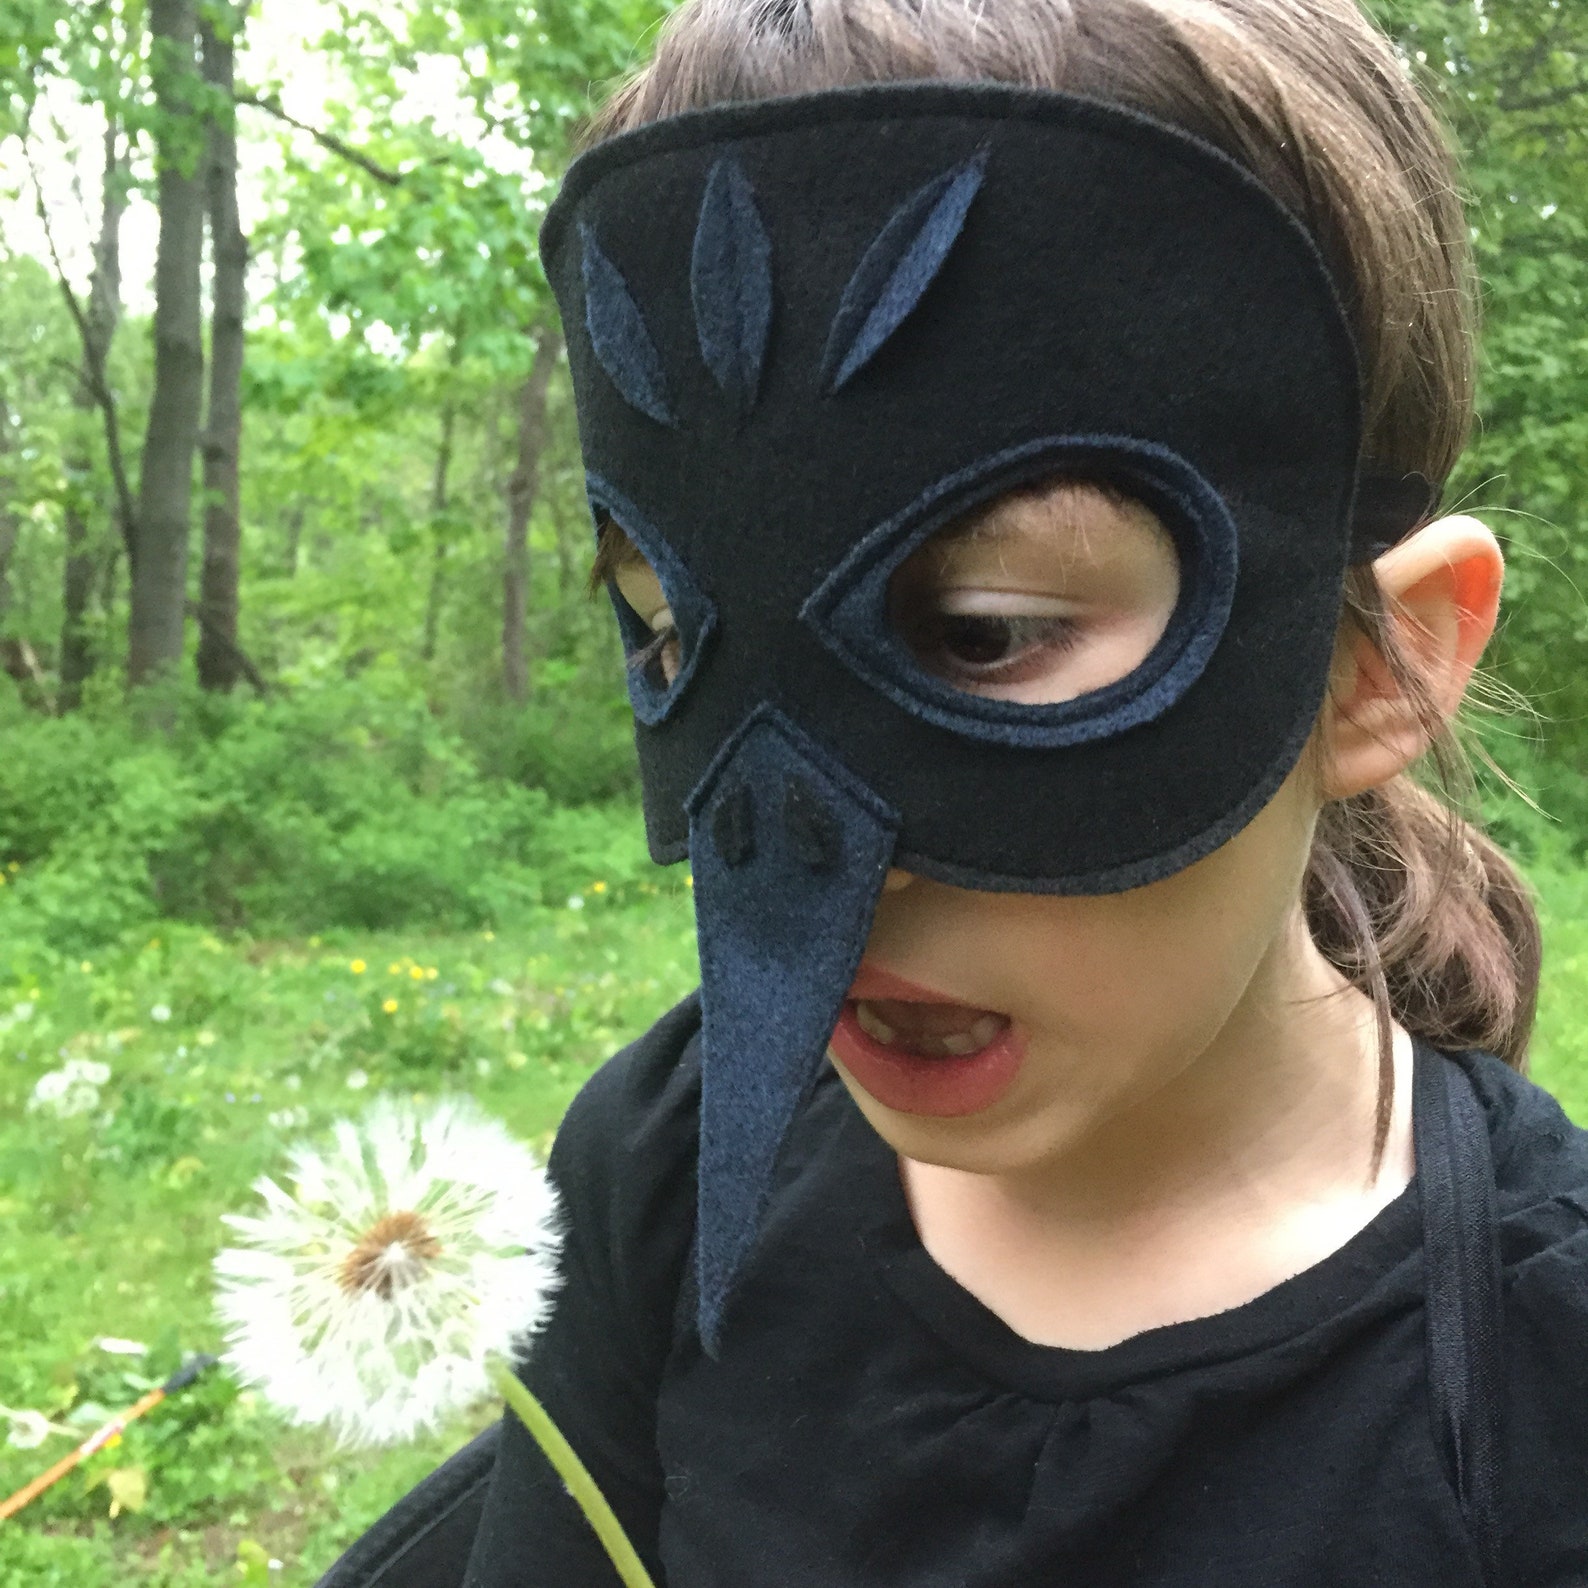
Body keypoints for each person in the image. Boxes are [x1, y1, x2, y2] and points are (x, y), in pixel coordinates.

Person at [319, 1, 1588, 1583]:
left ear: (1382, 664)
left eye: (984, 635)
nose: (811, 872)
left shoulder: (1539, 1394)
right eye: (668, 635)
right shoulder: (676, 1161)